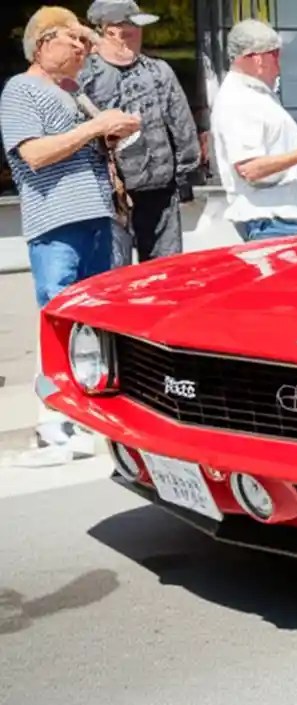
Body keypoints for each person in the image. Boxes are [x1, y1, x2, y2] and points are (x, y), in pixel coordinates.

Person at [1, 6, 141, 461]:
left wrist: (108, 133)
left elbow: (82, 140)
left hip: (95, 216)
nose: (82, 46)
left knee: (91, 320)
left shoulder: (73, 91)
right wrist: (96, 127)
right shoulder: (21, 90)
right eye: (72, 39)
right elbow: (35, 154)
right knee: (59, 316)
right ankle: (51, 420)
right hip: (57, 220)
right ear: (42, 44)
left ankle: (81, 414)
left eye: (85, 40)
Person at [78, 0, 200, 267]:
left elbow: (182, 125)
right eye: (131, 30)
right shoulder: (84, 75)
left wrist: (185, 177)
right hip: (109, 196)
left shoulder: (158, 71)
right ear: (111, 31)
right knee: (112, 274)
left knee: (164, 272)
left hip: (160, 192)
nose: (138, 36)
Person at [210, 18, 297, 242]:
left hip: (281, 218)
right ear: (257, 59)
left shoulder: (255, 93)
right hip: (271, 221)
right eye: (274, 54)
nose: (279, 63)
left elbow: (269, 152)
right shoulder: (239, 100)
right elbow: (250, 169)